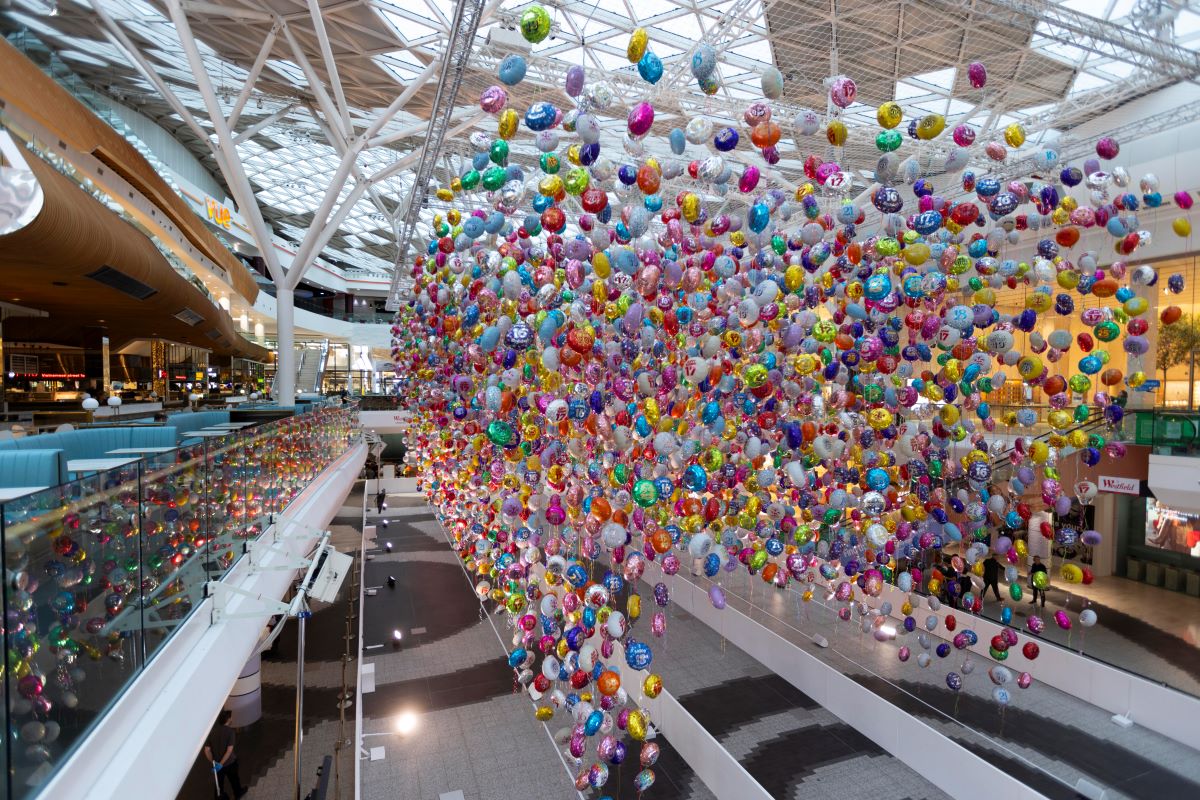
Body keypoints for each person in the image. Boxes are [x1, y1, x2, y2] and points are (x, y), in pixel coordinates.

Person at [204, 709, 245, 798]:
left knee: (219, 785)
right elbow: (229, 750)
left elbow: (207, 750)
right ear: (228, 719)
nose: (232, 719)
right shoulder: (230, 732)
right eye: (231, 717)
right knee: (234, 780)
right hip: (230, 763)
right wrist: (221, 764)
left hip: (217, 765)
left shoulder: (213, 732)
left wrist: (214, 763)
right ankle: (238, 794)